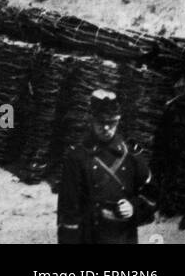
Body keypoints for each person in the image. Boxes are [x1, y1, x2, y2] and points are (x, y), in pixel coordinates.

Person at [57, 88, 155, 244]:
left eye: (112, 122)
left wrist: (133, 207)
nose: (106, 128)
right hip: (89, 235)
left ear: (118, 120)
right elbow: (69, 208)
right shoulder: (77, 157)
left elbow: (151, 194)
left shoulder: (131, 154)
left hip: (123, 235)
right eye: (101, 122)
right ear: (91, 120)